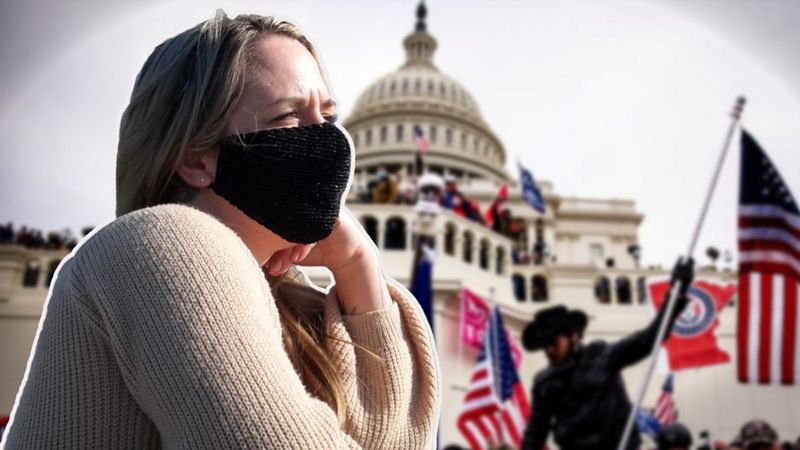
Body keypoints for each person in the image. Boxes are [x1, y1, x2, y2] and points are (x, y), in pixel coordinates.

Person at [2, 12, 438, 449]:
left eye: (327, 114)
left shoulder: (279, 297)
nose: (326, 138)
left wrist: (358, 264)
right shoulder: (165, 240)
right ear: (197, 161)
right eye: (288, 116)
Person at [520, 258, 694, 450]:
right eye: (545, 345)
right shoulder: (544, 383)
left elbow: (647, 340)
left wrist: (674, 297)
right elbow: (535, 434)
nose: (549, 350)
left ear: (574, 336)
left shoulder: (602, 356)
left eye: (554, 342)